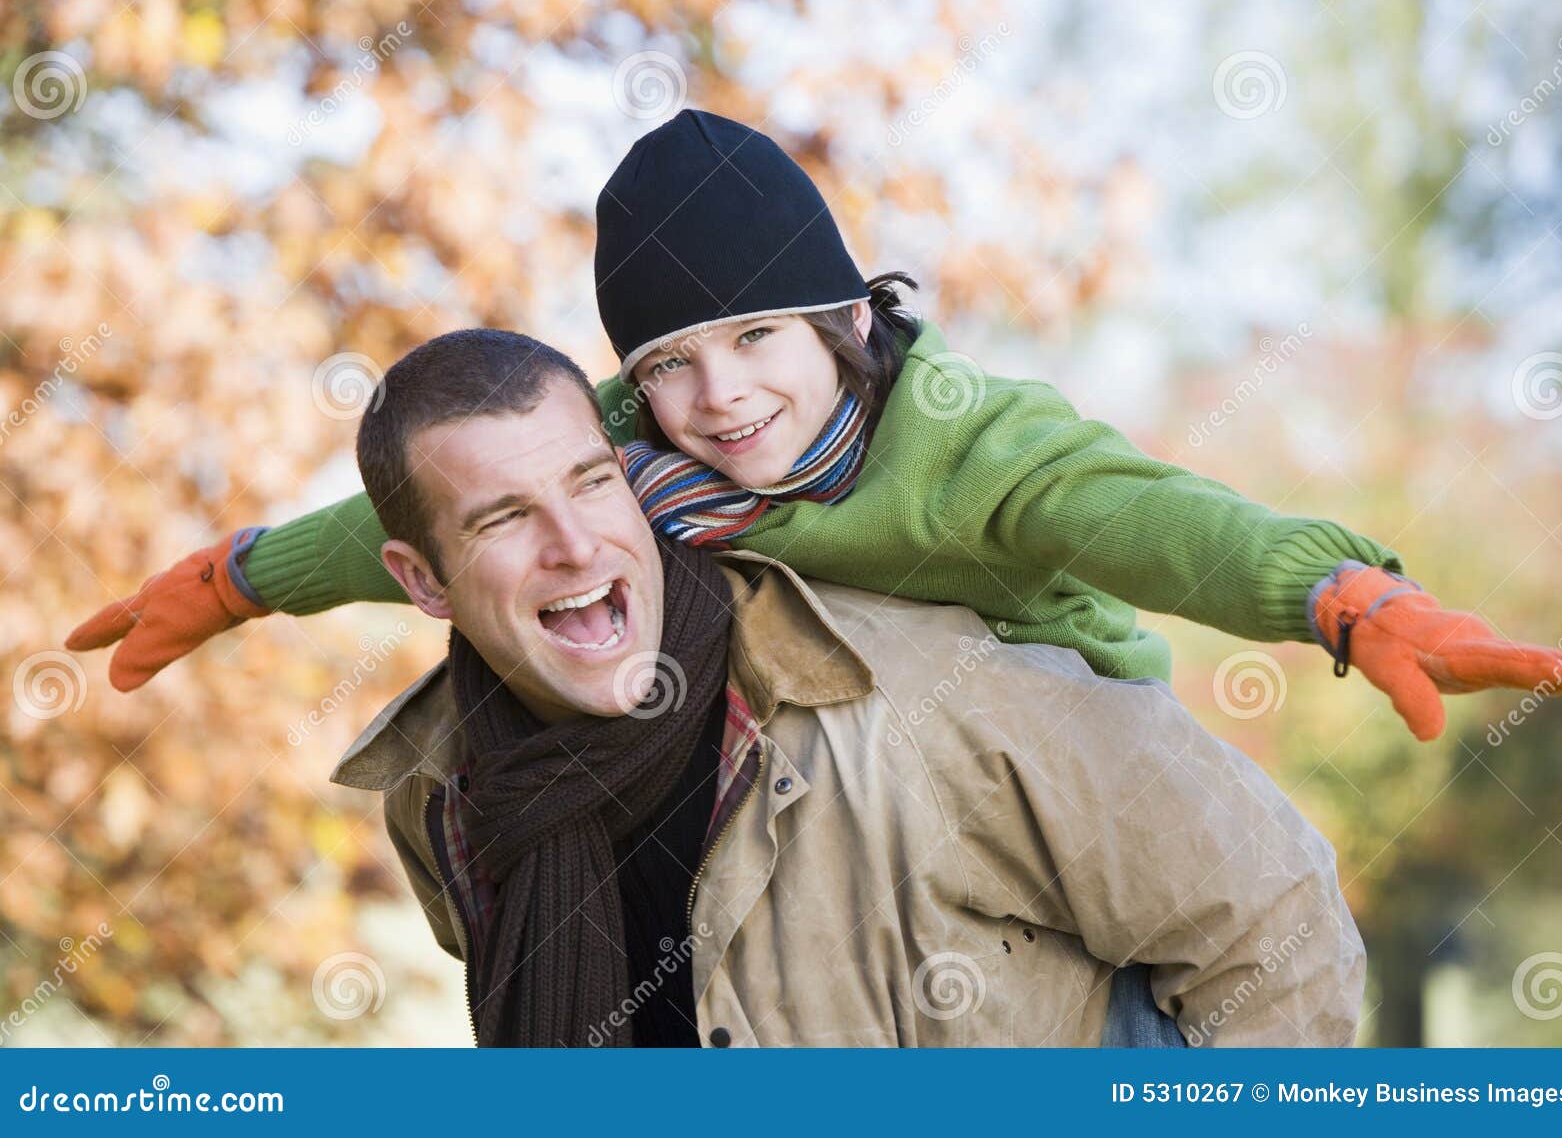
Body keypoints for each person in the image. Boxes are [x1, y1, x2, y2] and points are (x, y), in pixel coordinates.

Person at [65, 109, 1562, 743]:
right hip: (852, 727)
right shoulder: (632, 445)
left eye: (756, 338)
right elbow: (432, 512)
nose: (720, 396)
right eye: (671, 360)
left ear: (847, 319)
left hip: (1067, 726)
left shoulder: (967, 445)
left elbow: (1151, 516)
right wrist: (235, 578)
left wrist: (1342, 596)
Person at [330, 327, 1364, 1047]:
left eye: (593, 482)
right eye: (502, 518)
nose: (574, 543)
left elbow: (1271, 912)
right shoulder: (445, 798)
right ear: (422, 579)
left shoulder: (911, 691)